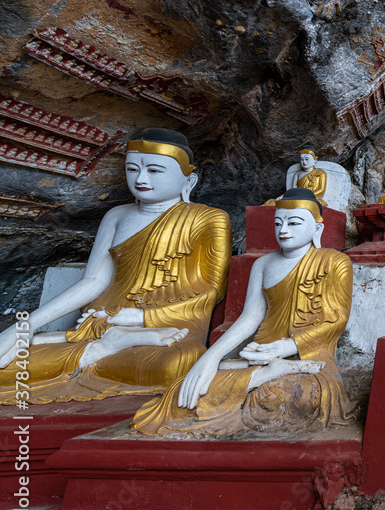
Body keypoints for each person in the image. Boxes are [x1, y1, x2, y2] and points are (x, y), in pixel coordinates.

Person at [0, 128, 231, 403]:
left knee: (177, 363)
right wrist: (24, 327)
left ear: (188, 180)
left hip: (169, 324)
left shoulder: (209, 219)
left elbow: (211, 291)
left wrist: (140, 318)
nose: (140, 179)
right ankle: (101, 349)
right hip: (101, 322)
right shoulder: (116, 215)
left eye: (155, 171)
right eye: (132, 169)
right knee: (7, 361)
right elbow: (93, 281)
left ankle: (104, 349)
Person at [132, 189, 356, 436]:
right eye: (278, 222)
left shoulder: (335, 262)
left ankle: (272, 373)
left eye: (294, 222)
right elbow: (249, 319)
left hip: (310, 358)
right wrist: (209, 358)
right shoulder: (263, 264)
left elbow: (337, 320)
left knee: (300, 397)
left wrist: (286, 347)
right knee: (184, 390)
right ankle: (264, 374)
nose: (284, 230)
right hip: (258, 353)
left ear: (316, 229)